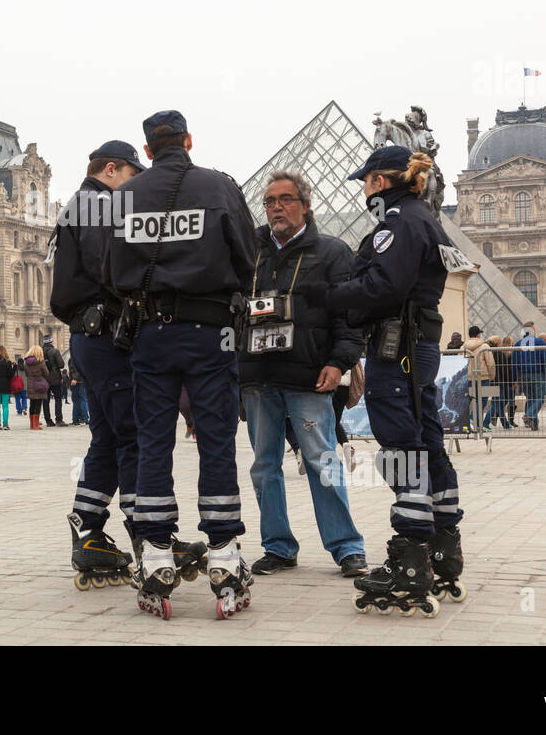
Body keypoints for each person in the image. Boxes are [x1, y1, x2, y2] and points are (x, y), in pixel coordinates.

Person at [298, 145, 464, 614]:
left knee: (399, 447)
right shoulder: (426, 218)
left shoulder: (398, 222)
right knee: (426, 441)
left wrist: (328, 296)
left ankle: (410, 558)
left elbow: (383, 287)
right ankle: (443, 545)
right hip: (420, 345)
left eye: (365, 182)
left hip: (398, 348)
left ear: (377, 180)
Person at [105, 110, 257, 619]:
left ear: (147, 150)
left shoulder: (126, 196)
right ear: (188, 141)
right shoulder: (218, 187)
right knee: (216, 439)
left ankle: (154, 552)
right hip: (210, 330)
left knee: (153, 441)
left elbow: (111, 270)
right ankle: (224, 554)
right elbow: (247, 257)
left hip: (151, 333)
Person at [240, 169, 368, 578]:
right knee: (264, 465)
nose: (276, 207)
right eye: (270, 201)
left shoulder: (332, 253)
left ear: (306, 206)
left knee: (322, 460)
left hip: (310, 376)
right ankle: (277, 546)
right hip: (258, 376)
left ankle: (346, 547)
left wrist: (339, 362)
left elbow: (351, 316)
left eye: (285, 199)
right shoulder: (248, 251)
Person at [42, 334, 69, 426]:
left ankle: (48, 421)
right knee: (58, 399)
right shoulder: (55, 351)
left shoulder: (40, 352)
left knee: (46, 400)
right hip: (55, 378)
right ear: (51, 341)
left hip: (44, 379)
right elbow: (61, 364)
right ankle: (59, 419)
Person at [23, 345, 51, 430]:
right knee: (38, 404)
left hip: (30, 384)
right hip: (39, 384)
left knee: (32, 404)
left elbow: (27, 374)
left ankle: (32, 424)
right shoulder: (41, 362)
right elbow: (46, 373)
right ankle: (36, 425)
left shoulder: (26, 362)